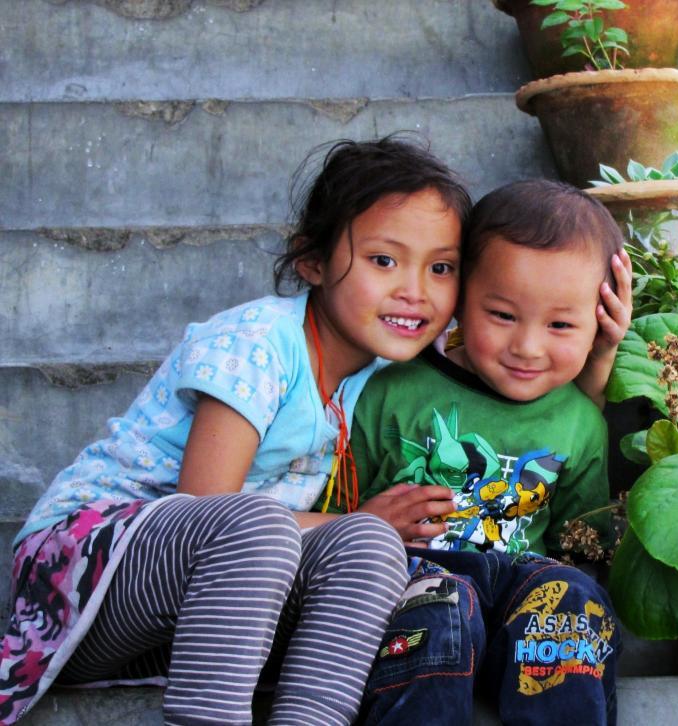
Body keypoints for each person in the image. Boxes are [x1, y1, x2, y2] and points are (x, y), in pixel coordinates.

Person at [0, 137, 473, 726]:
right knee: (272, 523)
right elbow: (208, 503)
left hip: (198, 619)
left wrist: (600, 359)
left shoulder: (379, 358)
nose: (416, 289)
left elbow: (508, 344)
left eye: (442, 267)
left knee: (373, 547)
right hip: (89, 580)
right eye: (384, 260)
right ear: (313, 262)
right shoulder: (259, 343)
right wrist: (358, 518)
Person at [331, 179, 632, 726]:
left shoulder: (580, 420)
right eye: (502, 315)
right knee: (442, 607)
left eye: (561, 324)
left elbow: (581, 541)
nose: (528, 346)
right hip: (419, 586)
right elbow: (335, 518)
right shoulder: (389, 392)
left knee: (573, 601)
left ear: (600, 320)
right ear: (461, 298)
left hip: (521, 597)